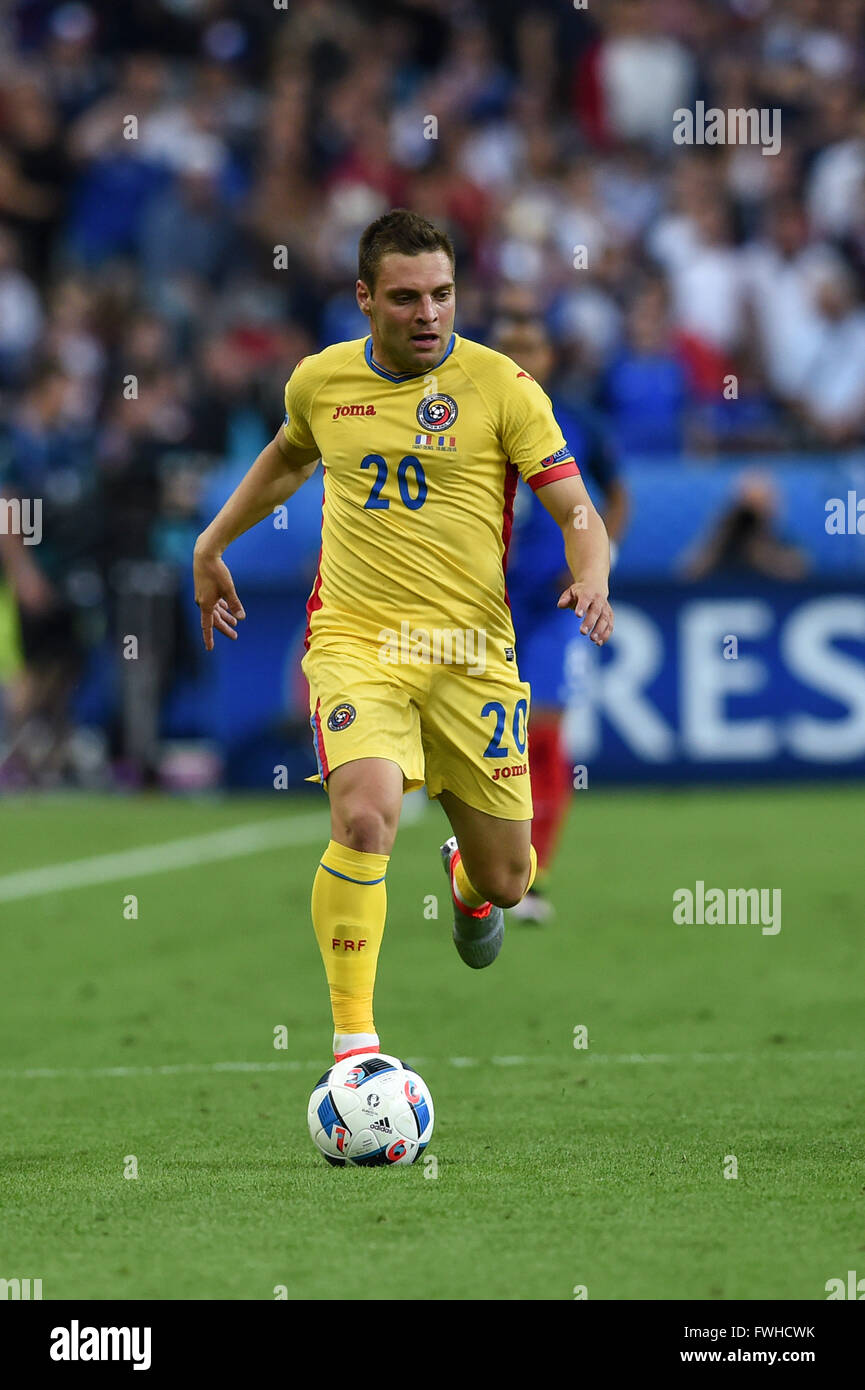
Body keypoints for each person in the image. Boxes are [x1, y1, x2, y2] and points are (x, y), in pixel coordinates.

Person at [192, 209, 613, 1065]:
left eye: (443, 295)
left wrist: (592, 571)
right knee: (364, 819)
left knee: (509, 878)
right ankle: (356, 1052)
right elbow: (286, 457)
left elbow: (576, 509)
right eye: (407, 297)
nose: (428, 314)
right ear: (364, 299)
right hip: (356, 643)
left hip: (470, 655)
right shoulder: (320, 382)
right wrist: (211, 543)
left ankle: (466, 881)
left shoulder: (503, 387)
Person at [492, 314, 629, 922]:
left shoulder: (576, 420)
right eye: (510, 345)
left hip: (552, 601)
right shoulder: (462, 412)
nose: (521, 355)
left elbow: (618, 494)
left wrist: (597, 570)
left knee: (541, 733)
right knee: (489, 740)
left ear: (549, 355)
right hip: (481, 601)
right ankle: (486, 866)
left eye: (531, 344)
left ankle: (532, 872)